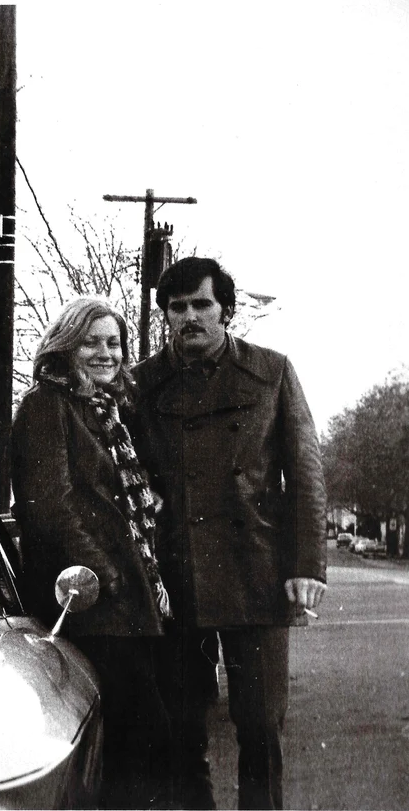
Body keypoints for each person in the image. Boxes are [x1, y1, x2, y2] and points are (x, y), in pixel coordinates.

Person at [131, 257, 327, 810]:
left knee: (261, 728)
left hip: (255, 574)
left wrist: (307, 566)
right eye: (177, 307)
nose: (189, 317)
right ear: (165, 315)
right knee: (181, 733)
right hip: (175, 580)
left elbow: (306, 471)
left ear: (227, 312)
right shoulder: (142, 385)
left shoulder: (271, 371)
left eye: (202, 305)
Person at [11, 297, 173, 810]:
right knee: (139, 740)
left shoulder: (109, 411)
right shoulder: (46, 405)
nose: (106, 353)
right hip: (89, 598)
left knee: (137, 745)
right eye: (92, 342)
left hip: (125, 594)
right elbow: (51, 505)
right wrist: (106, 574)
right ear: (65, 346)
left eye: (114, 342)